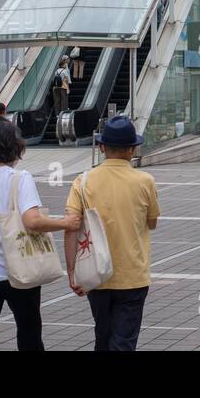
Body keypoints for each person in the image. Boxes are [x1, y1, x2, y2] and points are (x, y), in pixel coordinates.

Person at [0, 118, 80, 351]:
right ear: (15, 146)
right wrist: (65, 223)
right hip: (18, 271)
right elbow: (32, 221)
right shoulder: (19, 178)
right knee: (29, 335)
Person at [65, 116, 160, 351]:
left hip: (95, 275)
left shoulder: (83, 181)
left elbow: (71, 227)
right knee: (124, 340)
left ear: (102, 147)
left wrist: (71, 272)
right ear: (132, 149)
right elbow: (152, 222)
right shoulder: (145, 181)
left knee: (103, 336)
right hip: (132, 276)